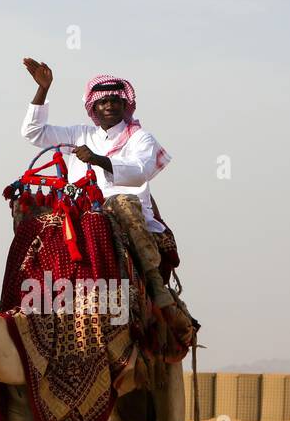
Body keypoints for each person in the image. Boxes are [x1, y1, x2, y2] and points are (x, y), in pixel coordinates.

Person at [19, 58, 189, 334]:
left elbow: (139, 172)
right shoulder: (80, 134)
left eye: (115, 101)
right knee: (29, 216)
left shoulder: (140, 138)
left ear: (124, 105)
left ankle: (155, 285)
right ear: (94, 108)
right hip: (77, 207)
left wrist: (99, 160)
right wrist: (43, 89)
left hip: (121, 208)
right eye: (103, 101)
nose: (109, 105)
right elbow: (33, 133)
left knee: (123, 203)